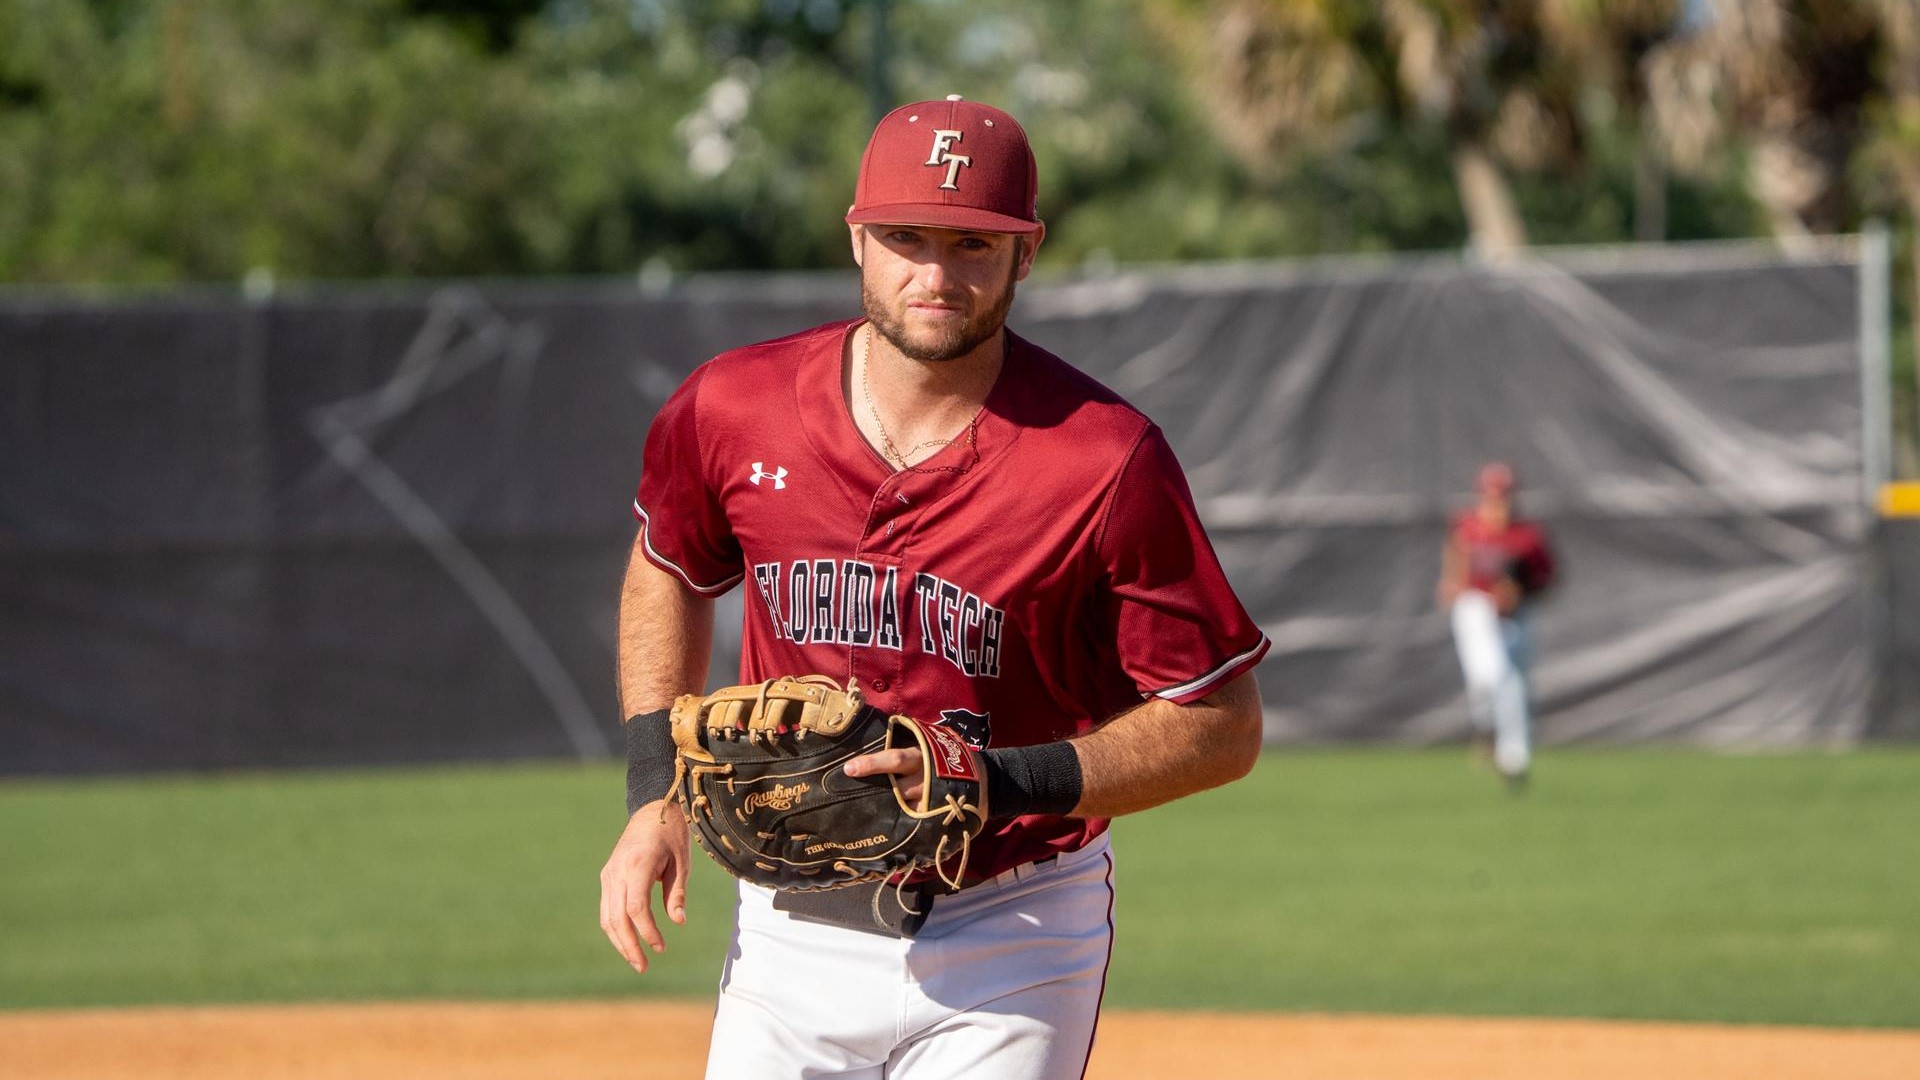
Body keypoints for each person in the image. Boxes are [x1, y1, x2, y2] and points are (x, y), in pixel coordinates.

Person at [598, 95, 1270, 1080]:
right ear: (858, 240)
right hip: (791, 924)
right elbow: (669, 568)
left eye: (973, 244)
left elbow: (1224, 723)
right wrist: (654, 790)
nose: (936, 274)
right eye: (907, 237)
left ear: (1026, 254)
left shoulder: (1104, 461)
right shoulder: (733, 408)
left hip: (1016, 920)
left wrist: (1000, 782)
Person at [1435, 462, 1556, 791]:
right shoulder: (1469, 525)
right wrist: (1450, 582)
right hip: (1475, 607)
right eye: (1491, 494)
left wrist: (1521, 591)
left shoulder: (1527, 536)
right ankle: (1486, 726)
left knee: (1512, 681)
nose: (1497, 501)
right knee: (1487, 678)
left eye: (1503, 495)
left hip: (1516, 614)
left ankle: (1514, 757)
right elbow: (1456, 555)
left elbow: (1546, 579)